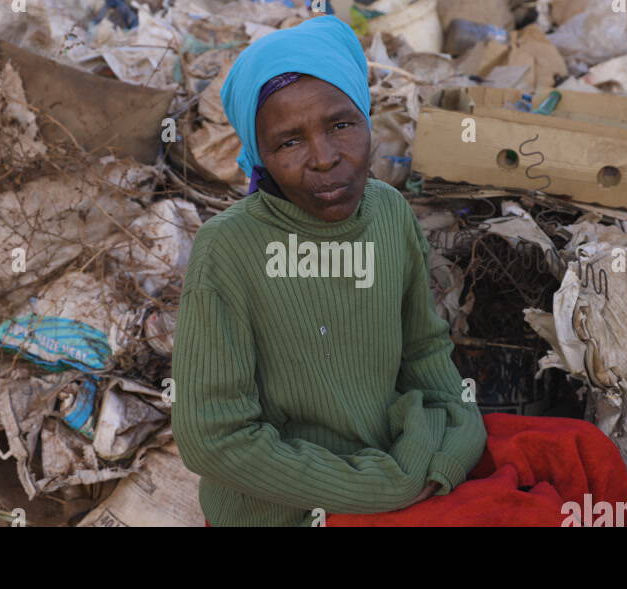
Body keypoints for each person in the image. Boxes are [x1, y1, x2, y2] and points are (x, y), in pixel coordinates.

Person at [172, 15, 486, 526]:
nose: (324, 158)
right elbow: (213, 438)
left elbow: (424, 350)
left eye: (341, 125)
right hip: (286, 505)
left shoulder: (387, 211)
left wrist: (456, 446)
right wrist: (380, 486)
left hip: (397, 461)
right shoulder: (228, 249)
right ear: (259, 157)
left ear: (366, 118)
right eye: (289, 142)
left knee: (576, 458)